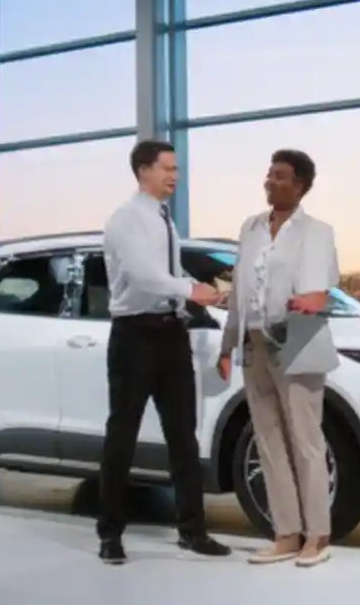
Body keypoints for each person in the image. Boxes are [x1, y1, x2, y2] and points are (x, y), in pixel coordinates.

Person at [96, 139, 231, 564]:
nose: (175, 175)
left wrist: (208, 290)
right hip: (135, 334)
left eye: (176, 168)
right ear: (143, 170)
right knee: (123, 435)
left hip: (172, 335)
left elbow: (168, 272)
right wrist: (190, 290)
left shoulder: (164, 220)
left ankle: (193, 531)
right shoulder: (125, 219)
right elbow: (141, 275)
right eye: (167, 168)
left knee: (183, 437)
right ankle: (110, 534)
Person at [216, 150, 340, 567]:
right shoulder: (250, 228)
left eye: (280, 176)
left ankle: (318, 535)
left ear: (301, 184)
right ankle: (286, 532)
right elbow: (238, 290)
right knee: (267, 439)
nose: (270, 181)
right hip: (254, 343)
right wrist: (228, 344)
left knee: (306, 441)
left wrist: (308, 300)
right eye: (268, 174)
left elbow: (317, 286)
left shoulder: (316, 231)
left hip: (298, 339)